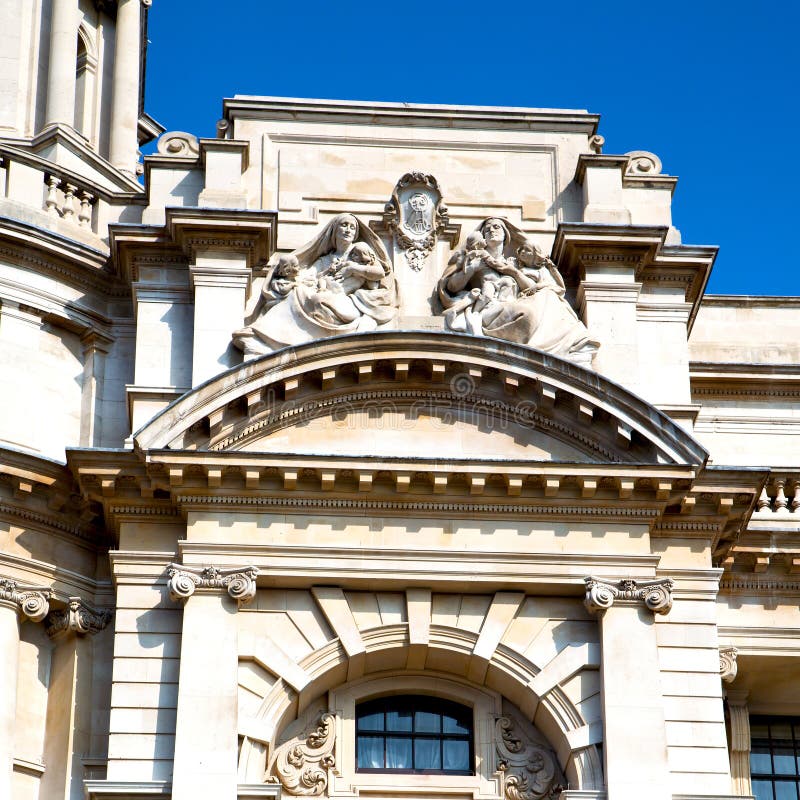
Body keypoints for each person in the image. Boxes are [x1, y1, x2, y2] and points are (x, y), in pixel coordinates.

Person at [233, 214, 397, 356]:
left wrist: (353, 267)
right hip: (328, 297)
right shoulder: (325, 260)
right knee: (297, 293)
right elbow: (307, 276)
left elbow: (379, 273)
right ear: (334, 230)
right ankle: (263, 333)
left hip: (348, 304)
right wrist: (291, 279)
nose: (348, 230)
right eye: (344, 225)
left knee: (317, 299)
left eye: (352, 227)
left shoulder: (360, 250)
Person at [437, 217, 599, 357]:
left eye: (496, 227)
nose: (491, 230)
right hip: (489, 309)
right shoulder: (474, 258)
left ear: (506, 236)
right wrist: (472, 268)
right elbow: (451, 286)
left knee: (548, 297)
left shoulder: (514, 263)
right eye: (487, 229)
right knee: (527, 315)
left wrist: (512, 272)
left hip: (513, 305)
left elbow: (533, 288)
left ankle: (568, 344)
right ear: (482, 237)